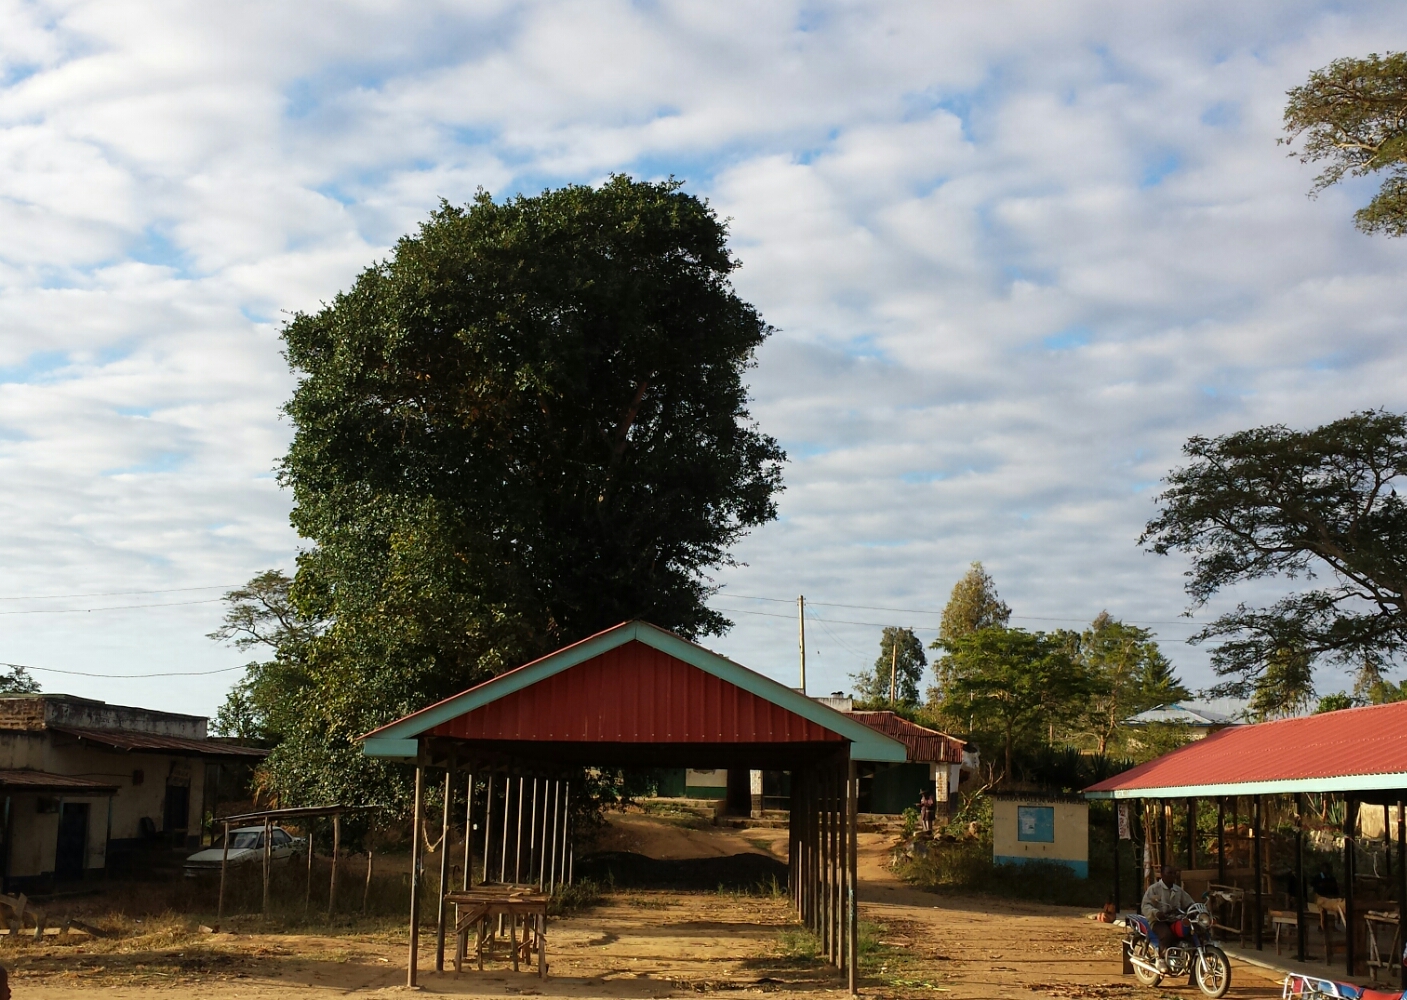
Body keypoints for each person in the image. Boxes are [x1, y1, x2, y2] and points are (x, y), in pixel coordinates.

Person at [1141, 864, 1195, 974]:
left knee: (1190, 933)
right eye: (1169, 873)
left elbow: (1189, 903)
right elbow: (1145, 906)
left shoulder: (1178, 890)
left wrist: (1195, 910)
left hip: (1175, 919)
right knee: (1166, 935)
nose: (1172, 876)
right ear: (1162, 875)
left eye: (1174, 873)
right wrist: (1156, 913)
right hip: (1158, 921)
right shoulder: (1154, 889)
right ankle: (1160, 959)